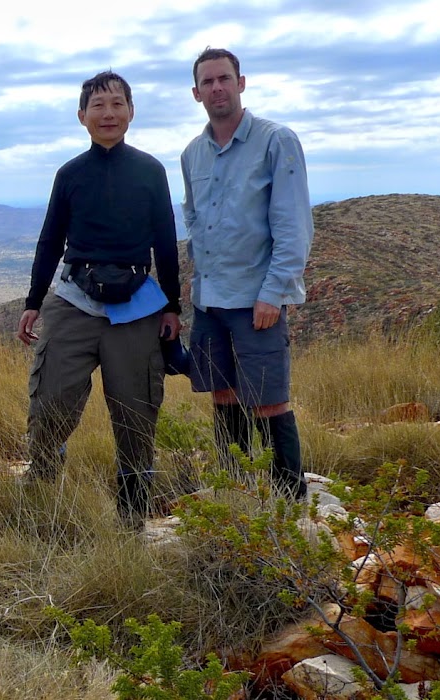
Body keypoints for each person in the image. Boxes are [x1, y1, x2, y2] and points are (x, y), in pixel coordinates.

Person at [16, 70, 181, 522]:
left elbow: (165, 242)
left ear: (131, 112)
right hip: (73, 300)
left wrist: (172, 306)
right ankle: (42, 497)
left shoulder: (150, 170)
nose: (108, 113)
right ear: (81, 116)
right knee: (49, 402)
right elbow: (51, 240)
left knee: (135, 414)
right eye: (98, 105)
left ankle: (132, 516)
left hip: (137, 306)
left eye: (117, 104)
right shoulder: (70, 174)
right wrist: (33, 301)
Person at [180, 48, 313, 499]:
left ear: (241, 82)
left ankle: (289, 505)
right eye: (208, 82)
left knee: (269, 400)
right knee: (222, 395)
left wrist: (273, 293)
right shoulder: (192, 154)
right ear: (196, 93)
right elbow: (195, 220)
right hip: (210, 300)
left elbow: (293, 225)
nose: (217, 87)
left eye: (224, 78)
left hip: (257, 298)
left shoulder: (276, 140)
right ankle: (234, 499)